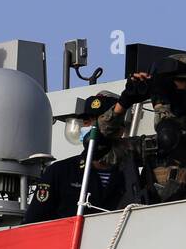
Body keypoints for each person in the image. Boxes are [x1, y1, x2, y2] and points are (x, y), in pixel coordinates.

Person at [96, 53, 186, 203]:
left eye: (175, 81)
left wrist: (160, 101)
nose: (166, 87)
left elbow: (171, 139)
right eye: (163, 83)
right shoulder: (153, 144)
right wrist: (123, 103)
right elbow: (99, 152)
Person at [24, 91, 143, 223]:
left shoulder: (131, 174)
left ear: (120, 130)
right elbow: (32, 223)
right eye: (87, 122)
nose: (91, 127)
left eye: (99, 121)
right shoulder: (60, 172)